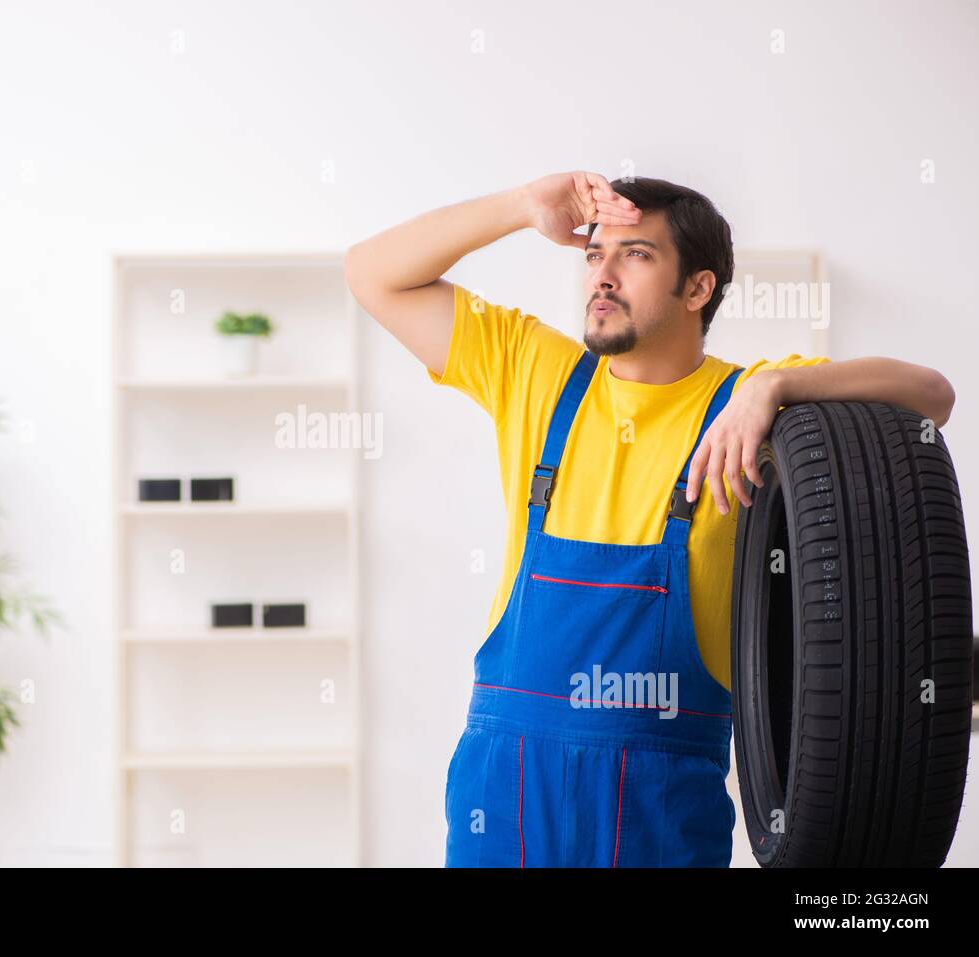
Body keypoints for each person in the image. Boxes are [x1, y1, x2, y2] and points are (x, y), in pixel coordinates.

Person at [344, 171, 955, 867]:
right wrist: (520, 207)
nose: (602, 275)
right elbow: (370, 274)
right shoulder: (534, 370)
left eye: (634, 255)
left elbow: (931, 395)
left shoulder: (742, 406)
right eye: (594, 254)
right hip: (506, 783)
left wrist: (776, 386)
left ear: (697, 288)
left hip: (659, 799)